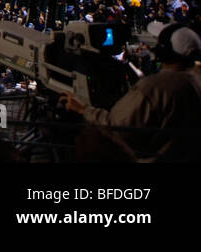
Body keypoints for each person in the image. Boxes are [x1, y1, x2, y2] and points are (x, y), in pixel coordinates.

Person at [58, 23, 201, 161]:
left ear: (164, 50)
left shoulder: (153, 88)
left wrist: (83, 109)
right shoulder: (195, 79)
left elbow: (116, 127)